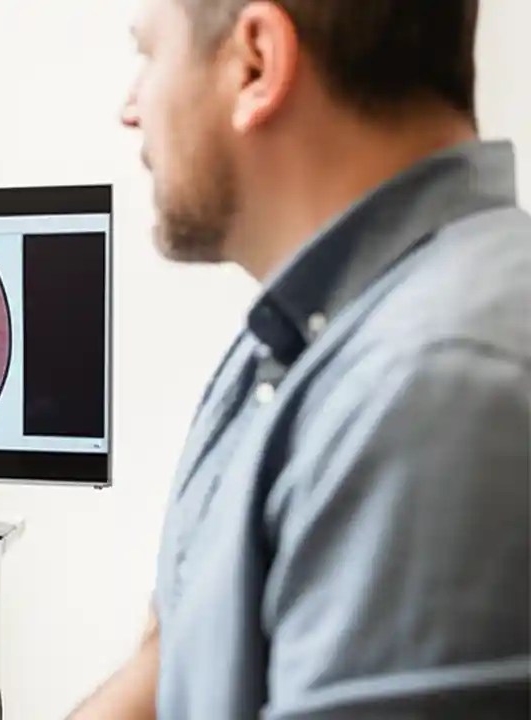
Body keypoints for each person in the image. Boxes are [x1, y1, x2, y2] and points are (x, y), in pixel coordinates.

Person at [71, 0, 530, 718]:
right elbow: (180, 652)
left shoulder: (437, 388)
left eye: (150, 55)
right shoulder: (293, 338)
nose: (131, 108)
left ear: (256, 63)